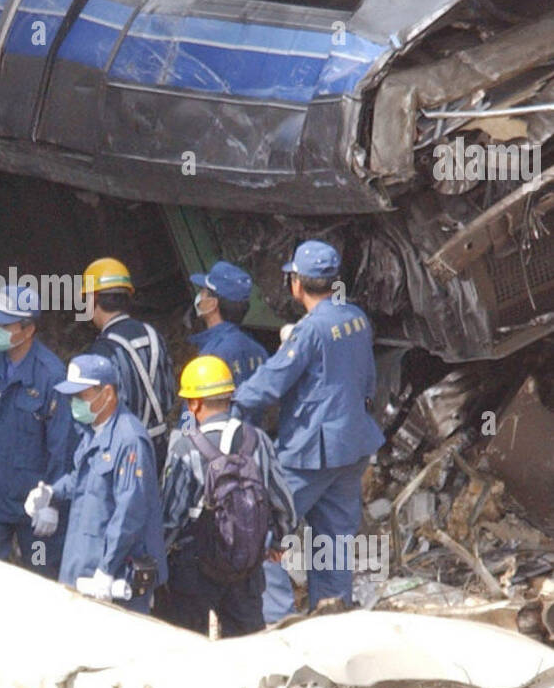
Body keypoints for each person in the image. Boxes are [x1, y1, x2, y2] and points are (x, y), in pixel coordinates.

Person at [231, 240, 383, 610]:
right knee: (333, 543)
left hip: (311, 453)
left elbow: (271, 382)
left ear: (296, 283)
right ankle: (331, 618)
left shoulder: (310, 331)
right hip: (352, 446)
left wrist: (231, 405)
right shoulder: (357, 318)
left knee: (260, 531)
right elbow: (367, 380)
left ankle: (276, 620)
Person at [161, 355, 296, 637]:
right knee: (248, 643)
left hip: (193, 565)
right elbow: (282, 499)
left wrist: (161, 554)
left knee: (186, 644)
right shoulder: (256, 439)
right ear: (229, 398)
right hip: (245, 563)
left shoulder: (184, 445)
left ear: (194, 403)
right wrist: (280, 540)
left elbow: (171, 515)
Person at [25, 355, 167, 612]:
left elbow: (130, 513)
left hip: (112, 574)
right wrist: (50, 493)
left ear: (108, 393)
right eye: (72, 396)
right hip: (81, 559)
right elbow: (81, 478)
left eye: (81, 395)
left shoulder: (128, 440)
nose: (75, 403)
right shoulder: (93, 430)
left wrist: (106, 569)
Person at [0, 285, 75, 575]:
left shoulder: (50, 375)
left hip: (34, 509)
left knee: (40, 576)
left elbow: (63, 448)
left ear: (28, 328)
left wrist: (53, 503)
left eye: (4, 324)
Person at [82, 257, 175, 469]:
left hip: (125, 455)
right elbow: (170, 393)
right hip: (161, 448)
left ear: (94, 298)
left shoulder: (102, 352)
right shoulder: (154, 335)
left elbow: (99, 415)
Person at [190, 261, 267, 383]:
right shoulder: (259, 350)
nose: (200, 295)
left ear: (213, 304)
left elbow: (201, 401)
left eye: (203, 290)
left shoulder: (211, 356)